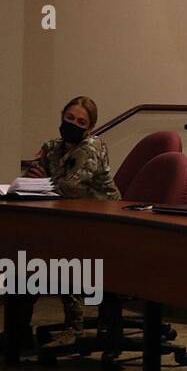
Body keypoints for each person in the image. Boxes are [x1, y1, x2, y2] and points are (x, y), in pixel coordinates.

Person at [22, 96, 121, 348]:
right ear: (61, 116)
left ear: (89, 128)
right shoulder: (52, 147)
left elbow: (70, 187)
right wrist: (41, 180)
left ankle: (74, 328)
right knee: (24, 250)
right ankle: (17, 333)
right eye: (69, 118)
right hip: (67, 220)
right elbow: (30, 179)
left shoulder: (92, 148)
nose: (73, 124)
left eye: (81, 121)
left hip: (104, 223)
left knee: (63, 251)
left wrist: (46, 180)